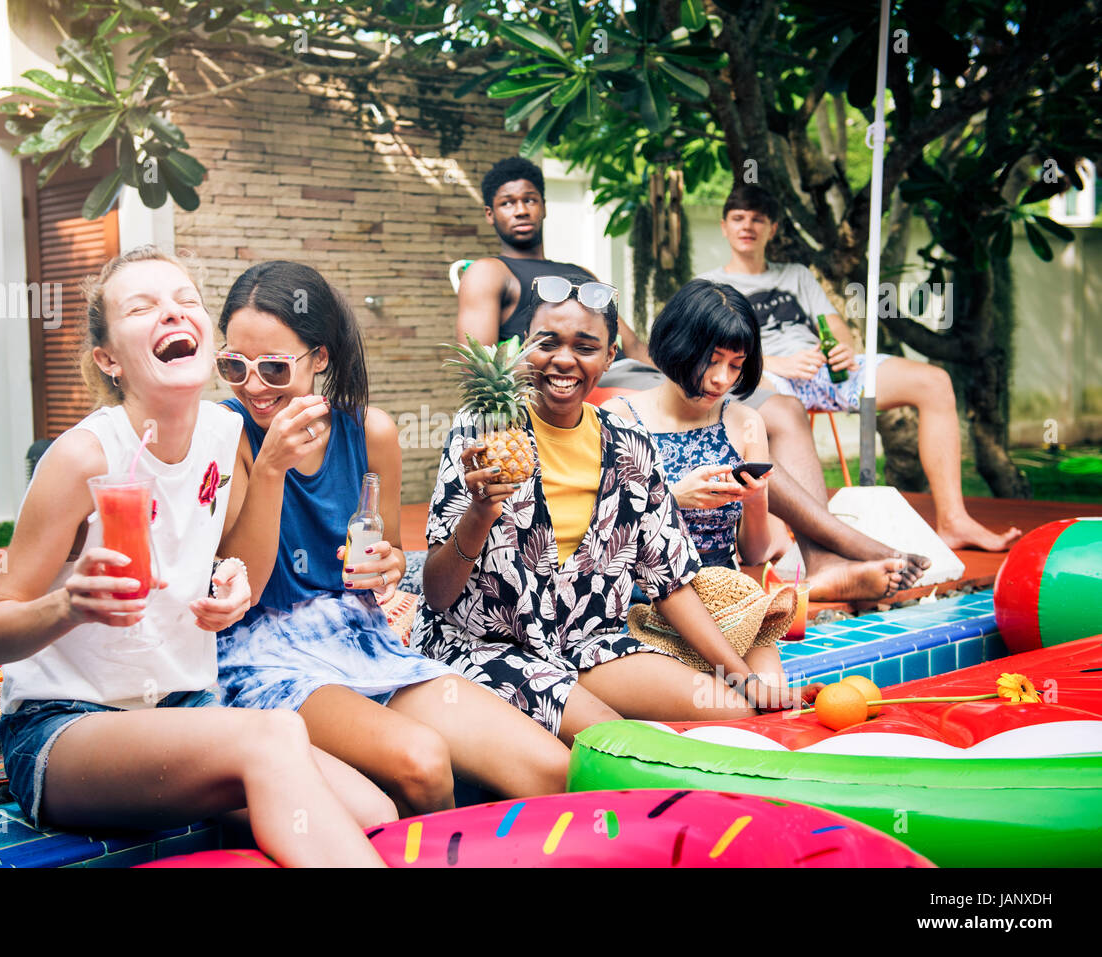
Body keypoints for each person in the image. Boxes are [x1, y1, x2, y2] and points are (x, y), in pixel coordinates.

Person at [0, 246, 390, 867]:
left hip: (183, 707)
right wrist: (67, 603)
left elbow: (239, 566)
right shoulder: (84, 457)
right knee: (272, 735)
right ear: (108, 359)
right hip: (67, 727)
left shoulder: (225, 436)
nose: (171, 312)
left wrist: (230, 589)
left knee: (374, 812)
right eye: (143, 307)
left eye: (185, 299)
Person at [214, 260, 570, 815]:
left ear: (320, 359)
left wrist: (388, 564)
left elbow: (391, 552)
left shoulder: (369, 431)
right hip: (264, 650)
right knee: (422, 761)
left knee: (550, 769)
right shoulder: (225, 433)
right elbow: (244, 586)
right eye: (234, 365)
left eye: (274, 368)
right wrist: (270, 467)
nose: (253, 386)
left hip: (361, 636)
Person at [413, 274, 819, 744]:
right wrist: (480, 513)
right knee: (618, 742)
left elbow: (670, 583)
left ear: (609, 358)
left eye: (585, 347)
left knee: (733, 710)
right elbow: (438, 595)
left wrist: (738, 676)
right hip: (489, 647)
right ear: (525, 347)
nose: (564, 359)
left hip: (587, 645)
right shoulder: (482, 430)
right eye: (548, 342)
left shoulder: (628, 443)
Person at [701, 183, 1020, 553]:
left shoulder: (797, 275)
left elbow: (835, 327)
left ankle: (954, 521)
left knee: (934, 382)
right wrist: (773, 362)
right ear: (724, 226)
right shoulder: (710, 286)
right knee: (768, 412)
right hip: (763, 375)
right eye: (738, 218)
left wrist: (841, 349)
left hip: (820, 368)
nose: (747, 226)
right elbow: (707, 353)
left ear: (772, 229)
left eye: (758, 219)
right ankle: (781, 538)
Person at [603, 279, 910, 599]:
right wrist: (675, 496)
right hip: (646, 595)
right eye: (712, 360)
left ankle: (818, 579)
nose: (723, 379)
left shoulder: (744, 422)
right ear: (678, 345)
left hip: (724, 595)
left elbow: (753, 553)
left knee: (766, 649)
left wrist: (755, 501)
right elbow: (602, 529)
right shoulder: (620, 417)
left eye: (736, 365)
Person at [456, 156, 660, 388]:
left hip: (631, 376)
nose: (521, 210)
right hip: (578, 386)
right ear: (490, 214)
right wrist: (571, 365)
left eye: (530, 200)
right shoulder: (489, 272)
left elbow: (633, 347)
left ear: (544, 207)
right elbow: (479, 369)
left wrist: (679, 377)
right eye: (507, 203)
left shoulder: (580, 273)